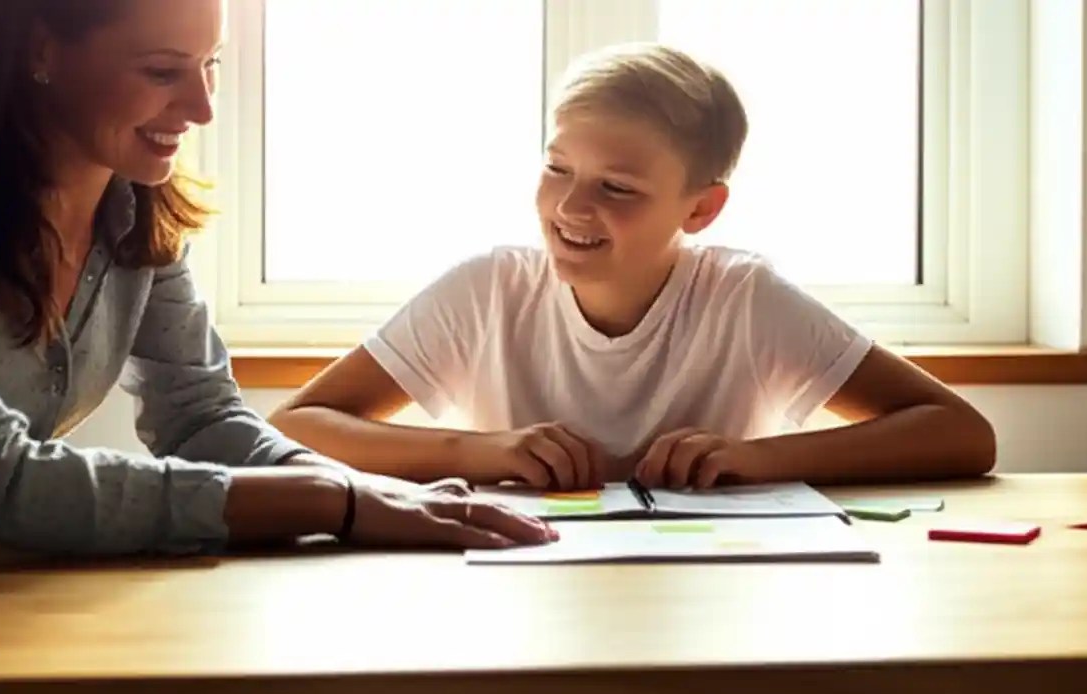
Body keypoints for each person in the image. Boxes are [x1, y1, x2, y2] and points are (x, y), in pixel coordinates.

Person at [270, 43, 997, 491]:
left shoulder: (741, 297)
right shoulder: (487, 290)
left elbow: (962, 436)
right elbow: (298, 425)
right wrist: (484, 451)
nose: (570, 207)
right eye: (557, 168)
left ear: (701, 211)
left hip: (703, 595)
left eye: (616, 188)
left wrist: (757, 459)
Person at [0, 0, 556, 555]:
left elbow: (200, 418)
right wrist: (327, 500)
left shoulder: (139, 215)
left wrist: (356, 488)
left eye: (210, 64)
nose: (203, 108)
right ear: (44, 50)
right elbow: (1, 480)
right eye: (162, 71)